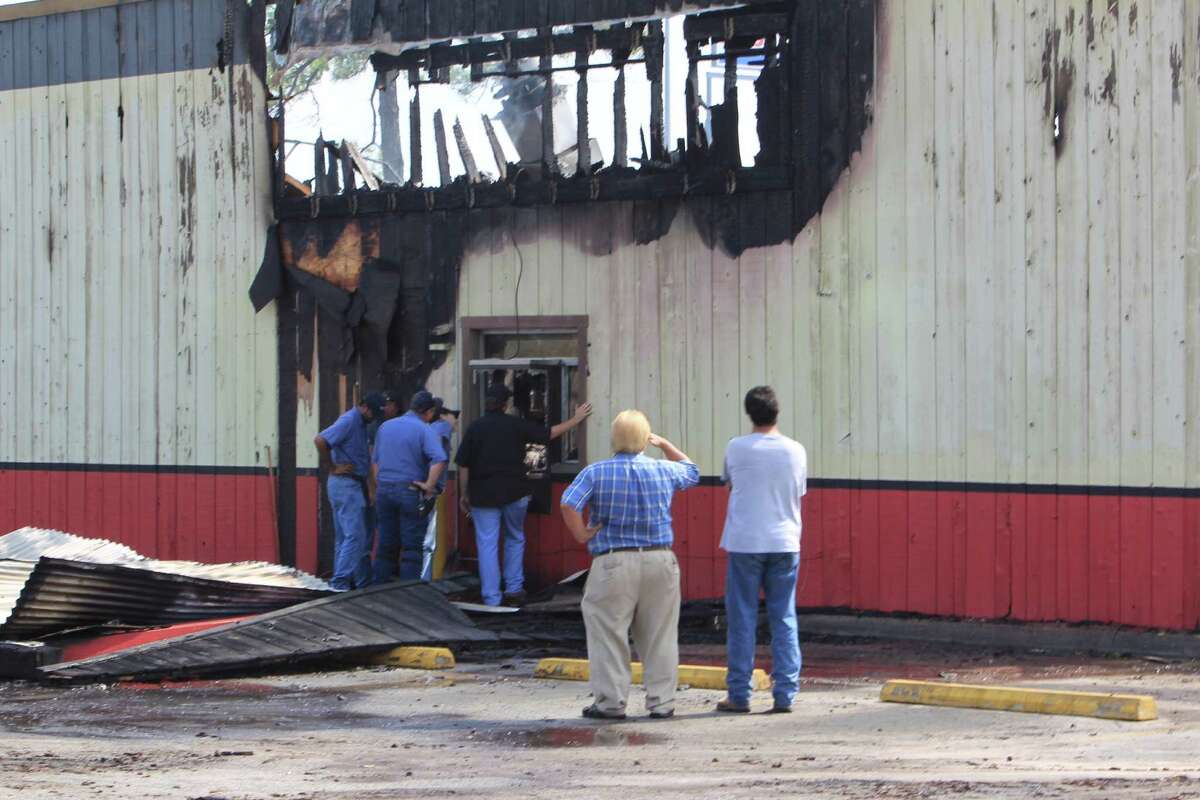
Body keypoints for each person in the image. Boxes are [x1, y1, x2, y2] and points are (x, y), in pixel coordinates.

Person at [560, 410, 699, 720]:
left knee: (608, 633)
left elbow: (569, 502)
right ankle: (661, 703)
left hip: (613, 562)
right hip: (660, 559)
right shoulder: (664, 470)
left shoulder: (596, 472)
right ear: (644, 439)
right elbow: (692, 471)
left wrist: (581, 534)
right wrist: (665, 445)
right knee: (660, 635)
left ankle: (611, 703)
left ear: (614, 438)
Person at [456, 383, 592, 606]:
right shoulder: (516, 425)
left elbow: (463, 464)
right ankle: (514, 589)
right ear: (505, 404)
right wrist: (576, 420)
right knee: (515, 538)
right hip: (515, 492)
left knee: (487, 544)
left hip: (482, 495)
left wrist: (464, 493)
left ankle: (491, 597)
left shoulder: (474, 428)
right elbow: (549, 434)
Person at [717, 386, 807, 714]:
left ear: (749, 413)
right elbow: (799, 491)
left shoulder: (735, 448)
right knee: (784, 615)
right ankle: (785, 694)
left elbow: (729, 484)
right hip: (785, 541)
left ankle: (739, 694)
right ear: (777, 412)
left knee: (742, 617)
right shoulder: (796, 450)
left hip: (745, 542)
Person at [314, 393, 388, 591]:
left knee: (344, 537)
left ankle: (343, 582)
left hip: (347, 484)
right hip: (346, 484)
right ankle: (340, 582)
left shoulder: (360, 424)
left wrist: (370, 488)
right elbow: (320, 440)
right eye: (372, 412)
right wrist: (332, 467)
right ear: (363, 406)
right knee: (356, 535)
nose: (373, 417)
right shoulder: (349, 421)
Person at [371, 391, 448, 583]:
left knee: (385, 545)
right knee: (412, 548)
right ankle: (408, 595)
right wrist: (429, 486)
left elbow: (375, 461)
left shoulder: (385, 427)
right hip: (410, 490)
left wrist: (380, 485)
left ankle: (377, 593)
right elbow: (439, 459)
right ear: (429, 412)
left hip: (384, 490)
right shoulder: (424, 429)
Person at [422, 403, 460, 581]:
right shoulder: (442, 428)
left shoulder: (426, 428)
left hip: (423, 486)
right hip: (434, 489)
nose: (457, 421)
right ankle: (429, 578)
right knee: (431, 539)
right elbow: (438, 457)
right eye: (455, 416)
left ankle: (426, 576)